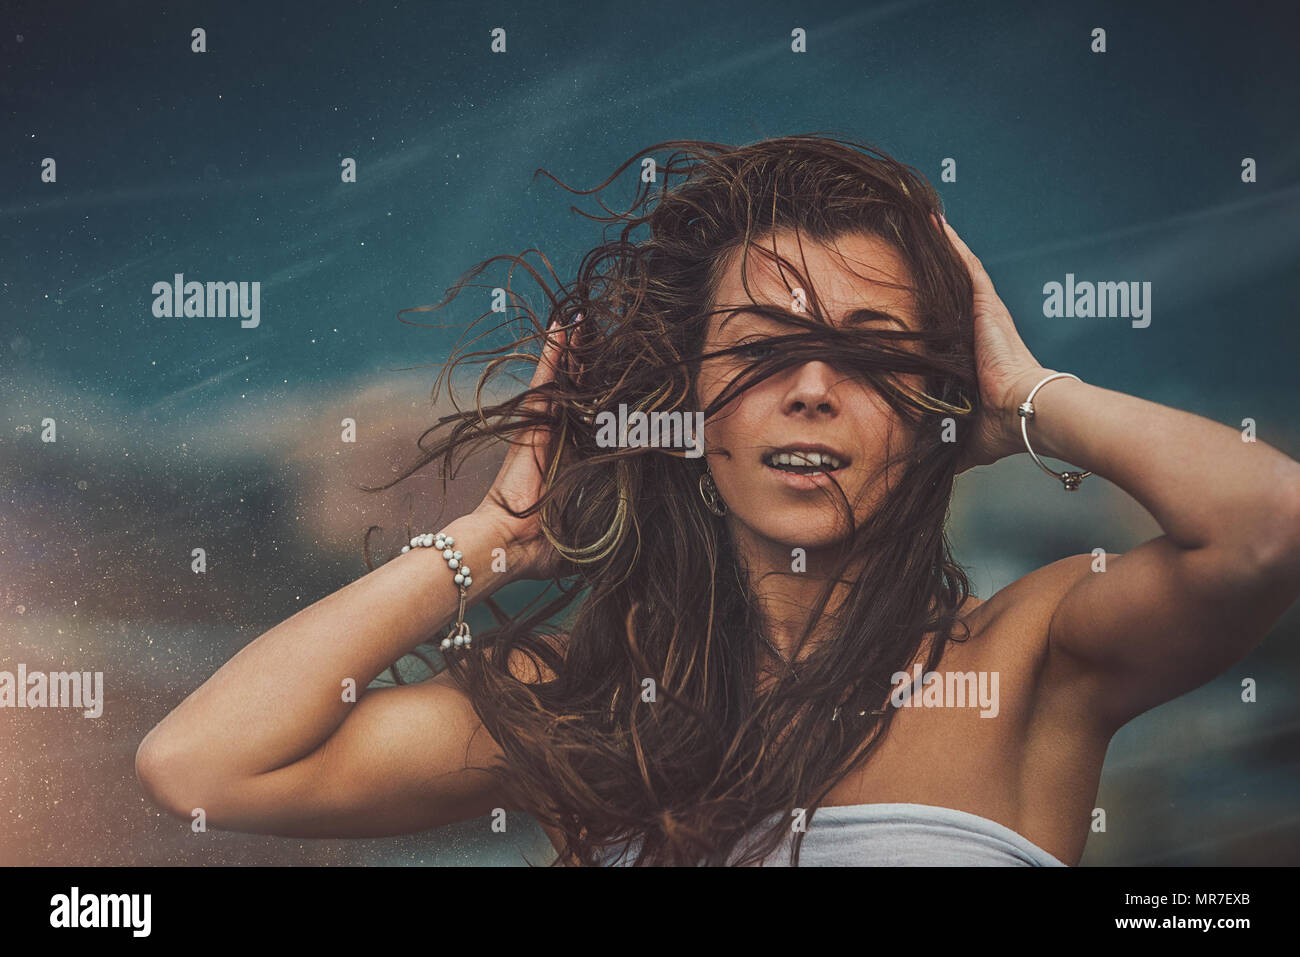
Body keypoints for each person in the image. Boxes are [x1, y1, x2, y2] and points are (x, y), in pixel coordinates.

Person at [135, 135, 1300, 866]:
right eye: (759, 349)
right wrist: (498, 539)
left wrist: (1028, 395)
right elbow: (203, 768)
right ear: (687, 406)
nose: (808, 389)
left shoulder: (1035, 653)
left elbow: (1269, 524)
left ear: (931, 403)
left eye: (868, 352)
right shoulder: (589, 709)